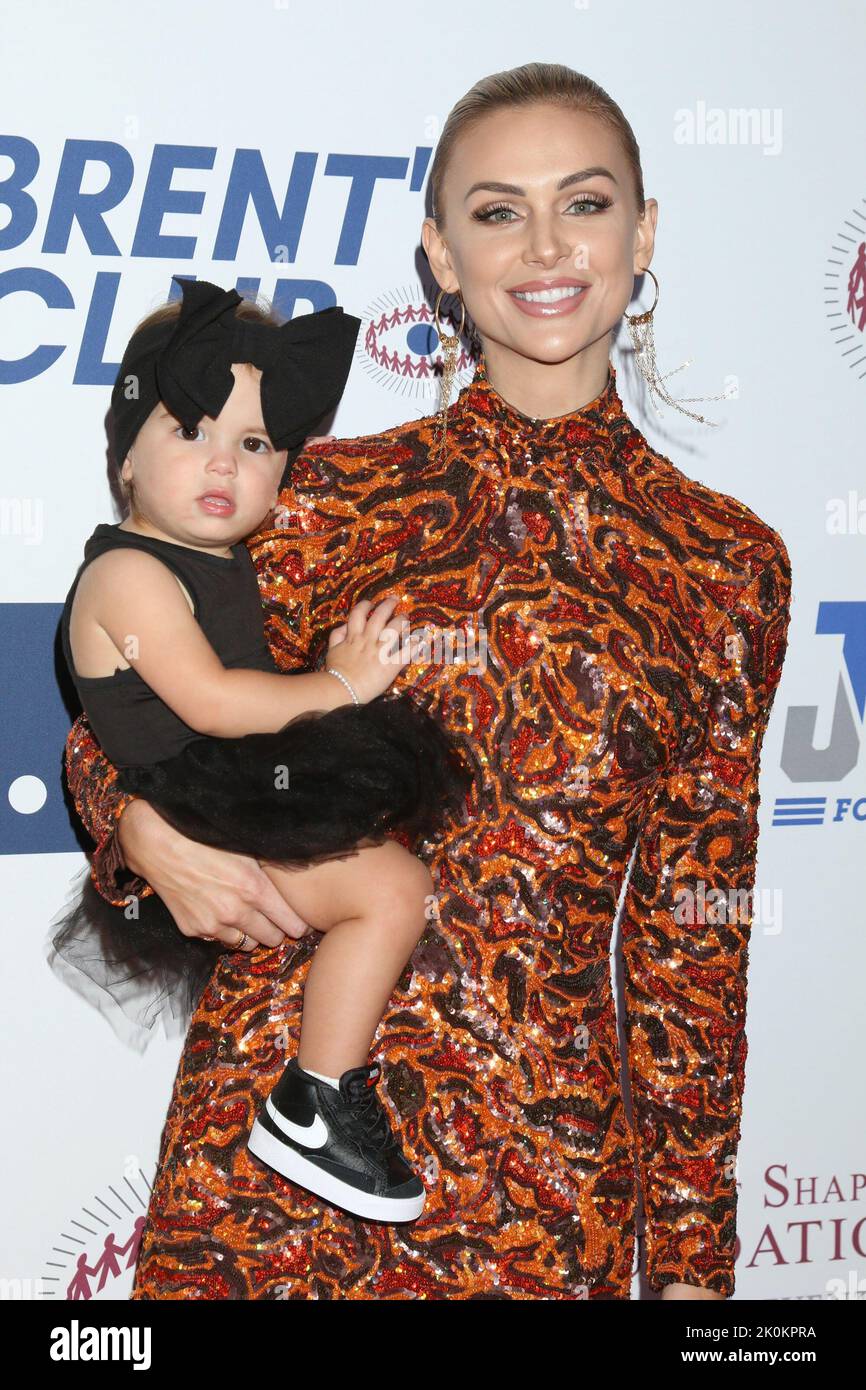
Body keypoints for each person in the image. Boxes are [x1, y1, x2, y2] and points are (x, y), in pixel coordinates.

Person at [62, 64, 792, 1300]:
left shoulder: (725, 567)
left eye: (587, 202)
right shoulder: (317, 500)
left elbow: (691, 938)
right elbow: (131, 710)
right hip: (268, 1167)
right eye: (497, 211)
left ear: (644, 231)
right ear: (439, 256)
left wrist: (689, 1256)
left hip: (538, 1180)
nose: (546, 246)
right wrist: (134, 829)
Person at [50, 275, 471, 1223]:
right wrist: (341, 688)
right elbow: (211, 698)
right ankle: (315, 1098)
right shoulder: (125, 570)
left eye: (252, 445)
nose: (221, 466)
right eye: (189, 430)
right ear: (125, 461)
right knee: (394, 891)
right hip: (207, 799)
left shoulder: (212, 558)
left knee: (391, 890)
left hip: (228, 787)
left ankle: (320, 1091)